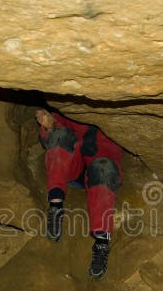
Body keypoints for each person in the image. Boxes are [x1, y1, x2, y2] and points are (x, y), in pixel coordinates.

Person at [35, 107, 123, 278]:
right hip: (75, 168)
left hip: (100, 172)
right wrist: (48, 126)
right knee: (60, 134)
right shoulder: (75, 108)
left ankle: (102, 243)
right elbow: (52, 134)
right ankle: (56, 206)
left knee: (103, 167)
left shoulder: (117, 114)